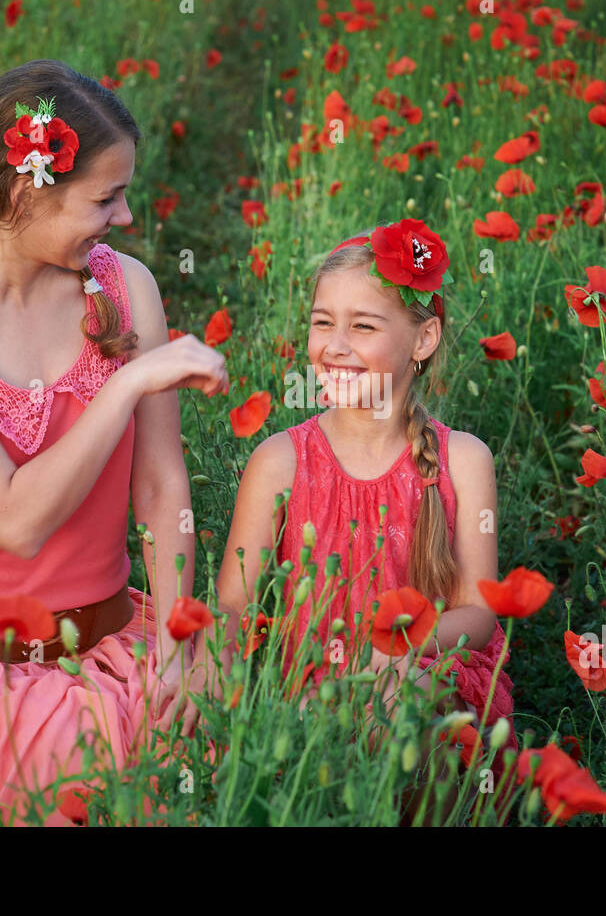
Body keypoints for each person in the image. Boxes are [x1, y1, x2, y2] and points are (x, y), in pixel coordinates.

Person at [0, 59, 228, 827]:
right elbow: (16, 520)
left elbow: (161, 487)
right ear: (27, 192)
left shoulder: (127, 288)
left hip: (111, 637)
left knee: (231, 746)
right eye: (106, 197)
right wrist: (125, 382)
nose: (124, 219)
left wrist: (182, 644)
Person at [215, 218, 517, 752]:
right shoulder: (281, 462)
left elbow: (477, 612)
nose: (335, 346)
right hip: (306, 693)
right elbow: (234, 606)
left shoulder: (463, 460)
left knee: (395, 700)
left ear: (423, 339)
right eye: (323, 322)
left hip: (420, 678)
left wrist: (396, 652)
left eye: (363, 327)